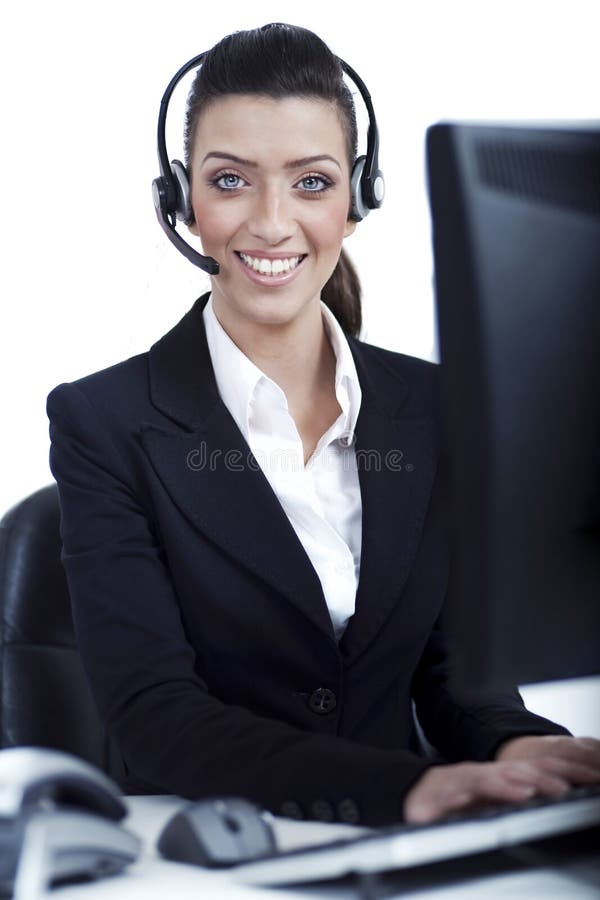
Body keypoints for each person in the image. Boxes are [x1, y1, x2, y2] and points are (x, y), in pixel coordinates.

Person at [46, 22, 600, 828]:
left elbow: (452, 672)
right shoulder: (104, 423)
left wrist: (519, 747)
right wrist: (402, 788)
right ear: (183, 203)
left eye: (311, 182)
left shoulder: (434, 408)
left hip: (408, 849)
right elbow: (156, 714)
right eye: (230, 180)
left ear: (358, 199)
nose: (272, 223)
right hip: (213, 851)